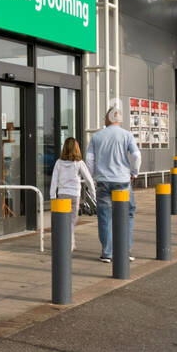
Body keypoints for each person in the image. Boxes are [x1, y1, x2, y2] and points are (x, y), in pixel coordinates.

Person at [85, 105, 141, 263]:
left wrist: (93, 176)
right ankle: (125, 250)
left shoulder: (96, 137)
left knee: (105, 216)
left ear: (107, 118)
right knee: (128, 213)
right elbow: (136, 155)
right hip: (123, 181)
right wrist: (134, 173)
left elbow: (89, 159)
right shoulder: (127, 135)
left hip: (103, 181)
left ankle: (107, 252)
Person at [49, 137, 97, 251]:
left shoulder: (58, 163)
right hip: (74, 194)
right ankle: (69, 244)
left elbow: (54, 180)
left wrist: (52, 196)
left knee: (63, 221)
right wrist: (93, 195)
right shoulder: (79, 163)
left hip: (62, 194)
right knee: (71, 221)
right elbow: (89, 180)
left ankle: (69, 242)